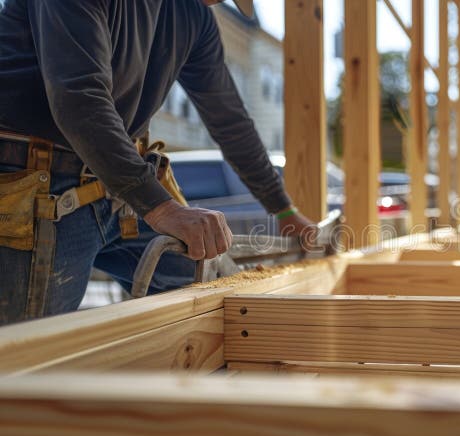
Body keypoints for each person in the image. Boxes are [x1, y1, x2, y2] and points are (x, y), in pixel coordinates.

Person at [0, 0, 316, 325]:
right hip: (38, 181)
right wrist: (162, 209)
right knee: (27, 352)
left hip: (118, 187)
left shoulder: (194, 15)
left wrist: (283, 209)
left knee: (208, 306)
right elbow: (79, 98)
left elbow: (230, 121)